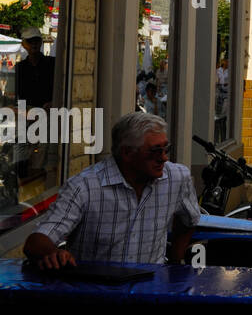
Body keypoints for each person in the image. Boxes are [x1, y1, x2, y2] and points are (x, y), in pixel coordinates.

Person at [24, 112, 200, 267]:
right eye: (155, 151)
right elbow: (37, 241)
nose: (163, 158)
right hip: (96, 291)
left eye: (166, 149)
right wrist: (52, 253)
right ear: (127, 153)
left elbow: (189, 219)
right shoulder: (85, 186)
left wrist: (176, 262)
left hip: (151, 289)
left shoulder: (177, 178)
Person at [14, 27, 54, 109]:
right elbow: (13, 96)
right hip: (26, 116)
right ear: (24, 44)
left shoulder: (53, 64)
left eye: (36, 40)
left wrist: (53, 103)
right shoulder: (19, 68)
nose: (34, 44)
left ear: (41, 42)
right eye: (30, 41)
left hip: (50, 115)